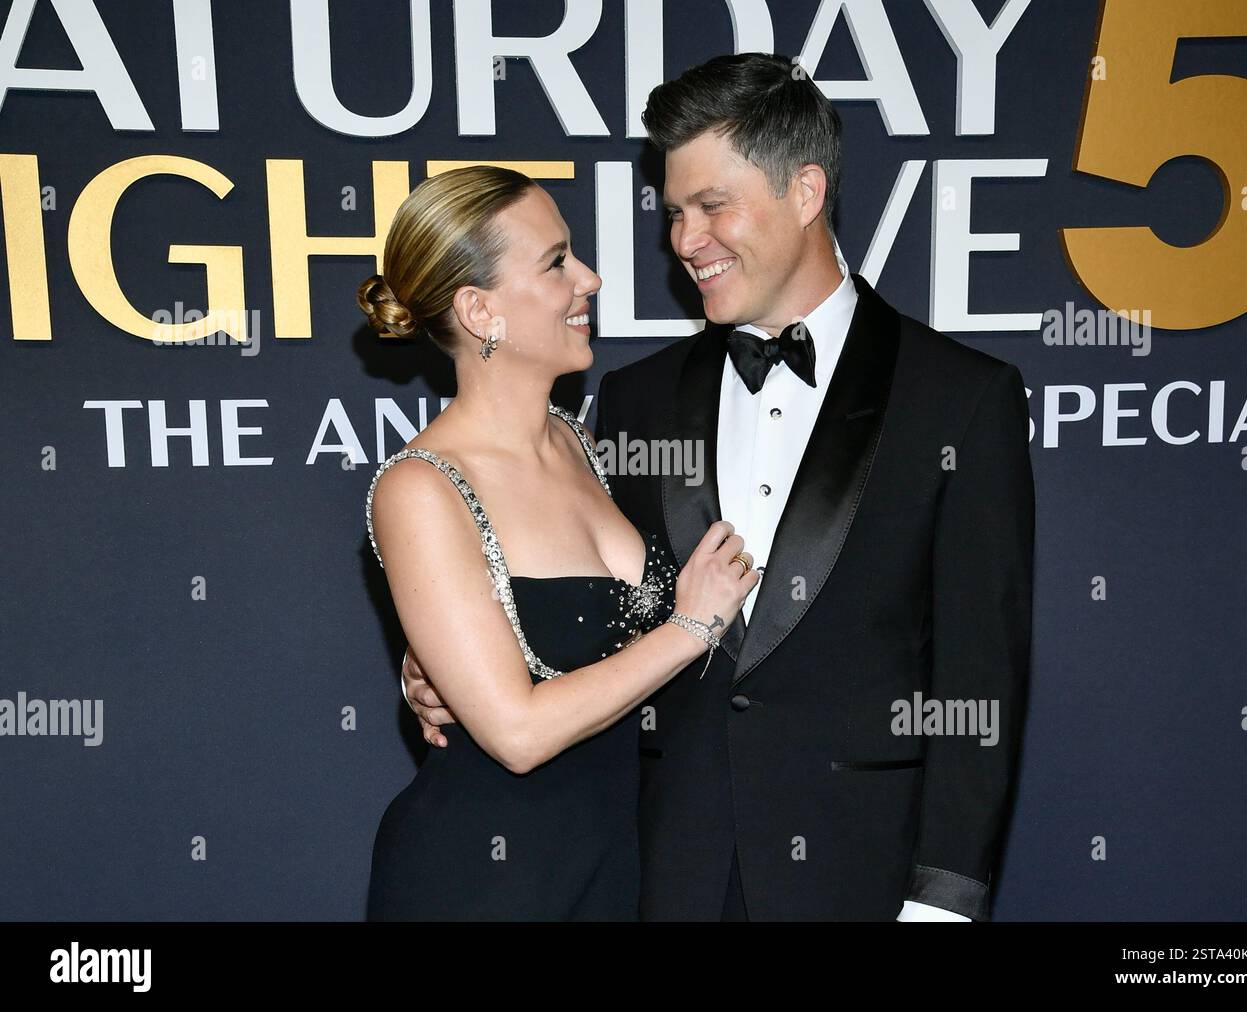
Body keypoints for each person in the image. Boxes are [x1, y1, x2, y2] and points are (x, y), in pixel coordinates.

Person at [404, 54, 1035, 921]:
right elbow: (575, 603)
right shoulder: (634, 399)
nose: (683, 240)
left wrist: (943, 902)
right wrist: (452, 659)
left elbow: (981, 681)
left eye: (712, 206)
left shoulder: (960, 399)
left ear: (806, 192)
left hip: (862, 882)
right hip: (660, 878)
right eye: (673, 213)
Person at [359, 165, 761, 920]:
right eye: (555, 263)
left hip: (614, 869)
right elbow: (515, 732)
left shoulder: (585, 444)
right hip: (486, 883)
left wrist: (441, 662)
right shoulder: (421, 487)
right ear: (481, 311)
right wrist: (688, 625)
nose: (591, 277)